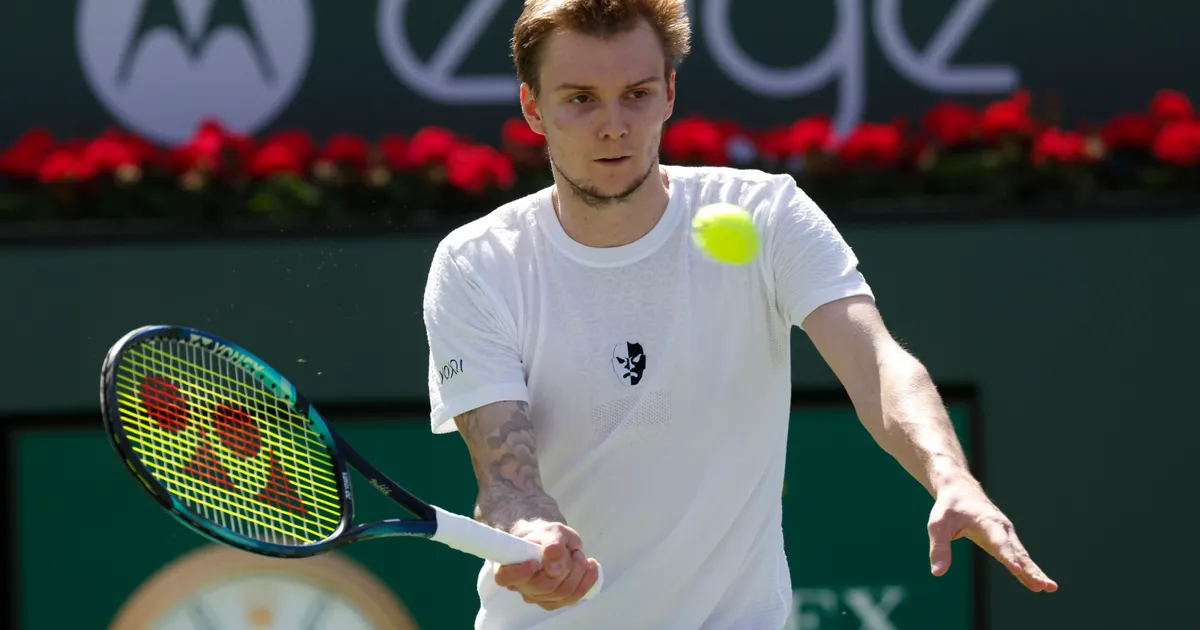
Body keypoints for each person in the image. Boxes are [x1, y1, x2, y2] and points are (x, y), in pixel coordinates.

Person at [421, 1, 1057, 628]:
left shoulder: (769, 216)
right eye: (581, 98)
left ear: (670, 92)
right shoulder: (478, 265)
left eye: (637, 94)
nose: (613, 125)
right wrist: (532, 532)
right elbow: (507, 479)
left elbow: (878, 367)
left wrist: (949, 474)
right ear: (533, 106)